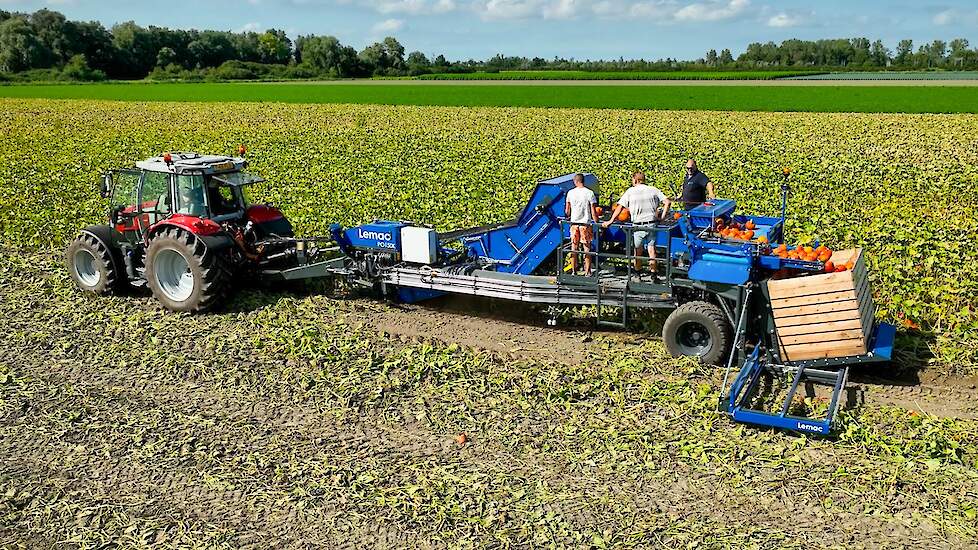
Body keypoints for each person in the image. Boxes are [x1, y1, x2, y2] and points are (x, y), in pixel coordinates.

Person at [604, 171, 670, 277]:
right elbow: (667, 202)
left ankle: (637, 273)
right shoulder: (653, 189)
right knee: (651, 250)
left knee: (637, 251)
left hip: (638, 225)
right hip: (652, 224)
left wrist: (611, 220)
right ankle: (653, 274)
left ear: (636, 180)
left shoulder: (630, 191)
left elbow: (619, 207)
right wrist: (662, 218)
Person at [564, 173, 599, 276]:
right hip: (585, 224)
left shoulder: (570, 193)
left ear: (575, 181)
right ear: (583, 181)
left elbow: (567, 211)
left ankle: (574, 271)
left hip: (574, 224)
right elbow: (593, 211)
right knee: (586, 248)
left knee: (574, 247)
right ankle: (587, 272)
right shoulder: (589, 193)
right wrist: (597, 222)